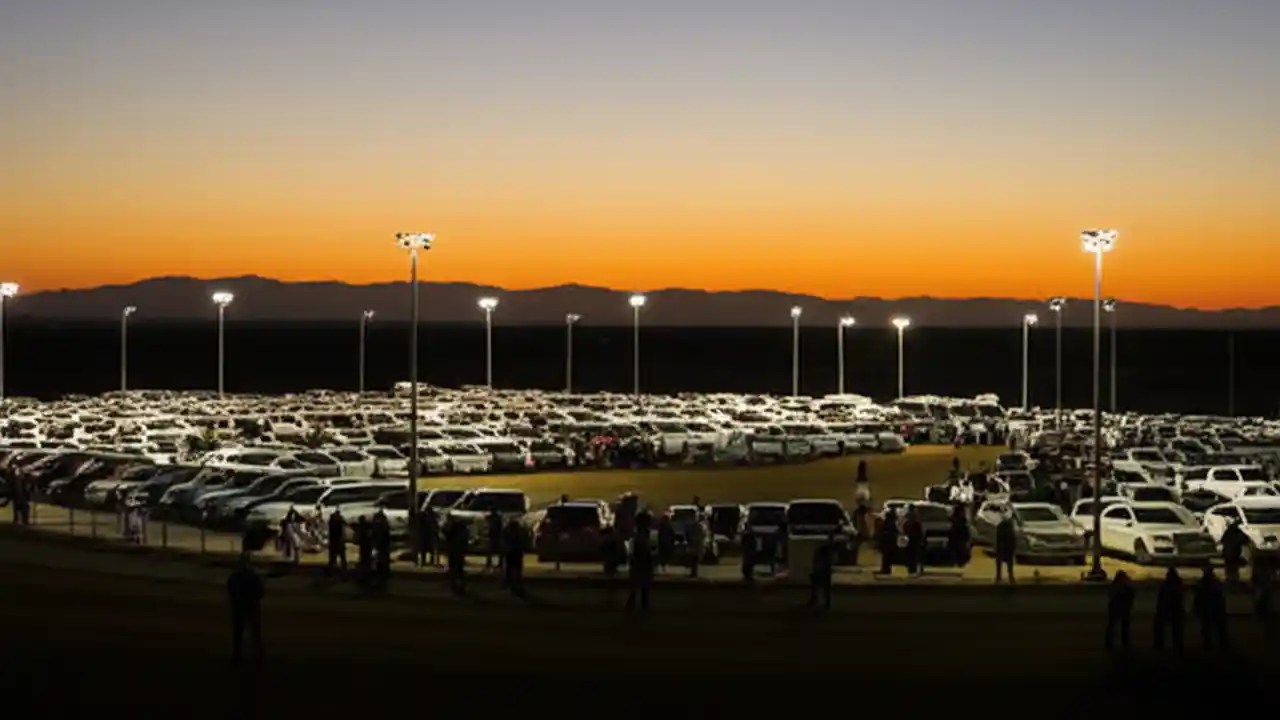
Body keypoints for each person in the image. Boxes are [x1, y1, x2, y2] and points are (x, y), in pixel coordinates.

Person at [227, 552, 264, 665]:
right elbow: (260, 591)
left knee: (243, 632)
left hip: (243, 606)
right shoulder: (251, 576)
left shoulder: (237, 576)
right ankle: (256, 655)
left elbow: (231, 590)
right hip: (248, 605)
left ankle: (240, 655)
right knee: (251, 632)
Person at [1192, 567, 1229, 650]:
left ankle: (1216, 644)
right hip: (1211, 609)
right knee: (1212, 629)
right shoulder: (1213, 583)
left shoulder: (1204, 584)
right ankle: (1214, 644)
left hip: (1211, 608)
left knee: (1213, 628)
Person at [626, 512, 654, 612]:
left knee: (637, 585)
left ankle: (634, 604)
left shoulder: (637, 534)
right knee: (642, 585)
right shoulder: (642, 534)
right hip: (642, 561)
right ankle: (641, 605)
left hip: (639, 562)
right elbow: (643, 548)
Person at [1154, 567, 1184, 652]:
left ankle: (1160, 646)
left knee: (1166, 628)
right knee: (1176, 630)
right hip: (1173, 609)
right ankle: (1177, 646)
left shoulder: (1167, 585)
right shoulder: (1177, 585)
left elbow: (1161, 598)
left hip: (1169, 608)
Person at [1106, 571, 1135, 652]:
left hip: (1118, 608)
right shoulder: (1126, 586)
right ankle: (1123, 642)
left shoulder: (1116, 585)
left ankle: (1111, 642)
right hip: (1122, 608)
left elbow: (1111, 594)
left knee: (1114, 625)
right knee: (1123, 626)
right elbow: (1132, 594)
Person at [808, 536, 834, 611]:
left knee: (818, 587)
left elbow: (817, 562)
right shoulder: (826, 551)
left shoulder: (821, 551)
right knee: (824, 588)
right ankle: (824, 603)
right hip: (824, 571)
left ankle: (815, 600)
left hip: (821, 571)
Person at [502, 517, 526, 598]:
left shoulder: (508, 531)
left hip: (512, 552)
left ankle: (511, 585)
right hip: (515, 552)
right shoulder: (519, 532)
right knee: (516, 570)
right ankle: (515, 586)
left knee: (511, 569)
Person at [446, 517, 470, 596]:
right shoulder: (464, 532)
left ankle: (456, 586)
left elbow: (447, 536)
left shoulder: (455, 531)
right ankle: (459, 586)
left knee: (454, 569)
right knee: (459, 570)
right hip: (459, 552)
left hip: (454, 552)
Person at [1221, 519, 1248, 585]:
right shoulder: (1239, 532)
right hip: (1234, 552)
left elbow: (1223, 539)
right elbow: (1243, 540)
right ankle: (1233, 580)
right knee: (1233, 567)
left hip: (1228, 551)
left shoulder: (1229, 530)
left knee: (1230, 567)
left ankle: (1230, 580)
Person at [372, 509, 392, 589]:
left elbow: (378, 538)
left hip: (381, 548)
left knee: (380, 563)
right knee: (383, 563)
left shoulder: (379, 526)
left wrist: (375, 547)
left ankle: (381, 580)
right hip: (384, 548)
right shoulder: (384, 525)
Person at [994, 513, 1016, 585]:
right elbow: (1012, 537)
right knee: (1008, 562)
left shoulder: (1001, 525)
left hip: (1003, 546)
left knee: (1002, 562)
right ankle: (1009, 577)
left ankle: (1000, 577)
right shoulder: (1008, 525)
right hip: (1006, 545)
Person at [902, 507, 924, 577]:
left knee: (912, 557)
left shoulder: (910, 523)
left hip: (912, 542)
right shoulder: (914, 524)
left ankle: (912, 570)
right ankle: (912, 570)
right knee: (913, 557)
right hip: (913, 542)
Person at [947, 504, 971, 568]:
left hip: (960, 537)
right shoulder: (957, 520)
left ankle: (959, 562)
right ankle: (957, 561)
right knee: (958, 550)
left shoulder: (962, 520)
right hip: (958, 537)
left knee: (960, 550)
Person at [877, 508, 899, 575]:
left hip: (887, 542)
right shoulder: (890, 523)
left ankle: (886, 568)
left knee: (887, 557)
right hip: (888, 542)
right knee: (887, 556)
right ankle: (886, 569)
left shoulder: (887, 523)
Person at [327, 508, 347, 573]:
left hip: (334, 541)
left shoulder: (332, 521)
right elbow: (345, 524)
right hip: (338, 541)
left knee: (333, 557)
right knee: (342, 557)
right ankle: (342, 571)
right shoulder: (339, 520)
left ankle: (332, 570)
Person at [355, 517, 373, 587]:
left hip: (365, 548)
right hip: (366, 547)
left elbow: (357, 539)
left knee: (364, 562)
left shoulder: (362, 529)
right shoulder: (367, 528)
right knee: (366, 562)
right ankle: (366, 577)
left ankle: (364, 577)